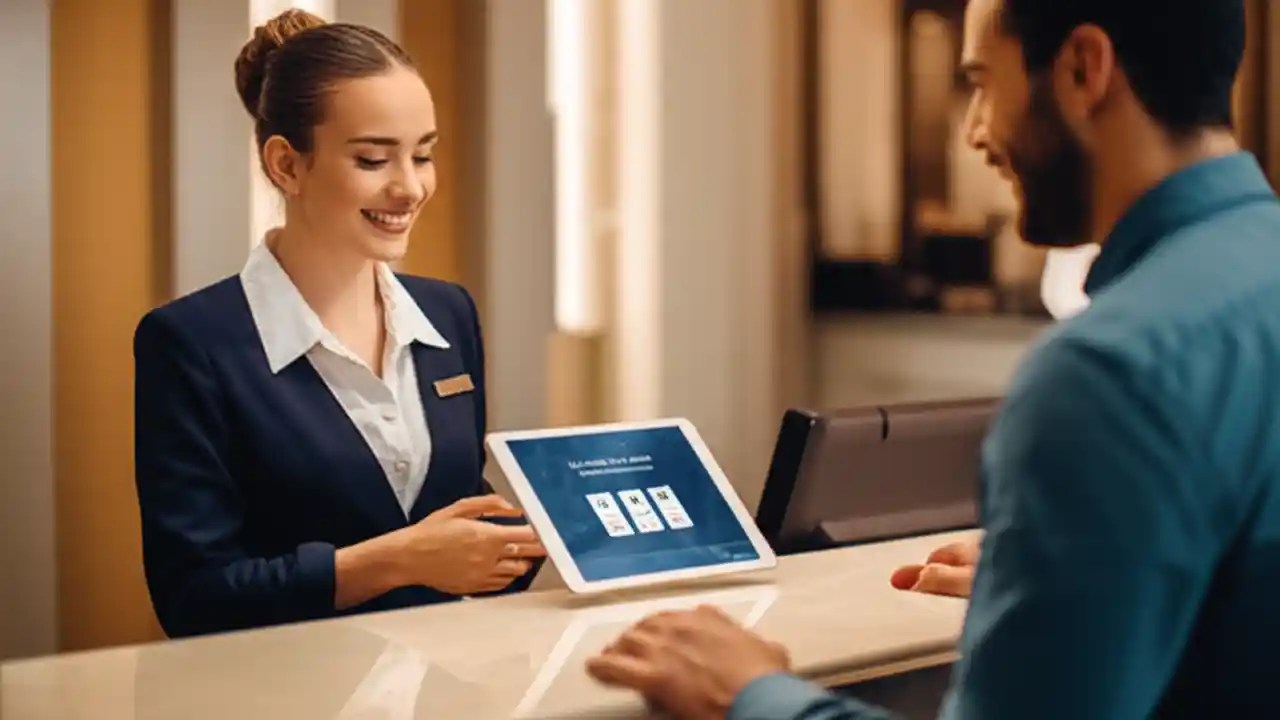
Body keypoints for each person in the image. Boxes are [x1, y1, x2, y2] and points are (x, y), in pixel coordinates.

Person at [587, 0, 1280, 717]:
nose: (978, 129)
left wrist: (751, 695)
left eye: (985, 81)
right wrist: (1081, 573)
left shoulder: (1107, 372)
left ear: (1082, 68)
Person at [133, 9, 544, 638]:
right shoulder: (191, 344)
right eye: (374, 159)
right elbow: (195, 599)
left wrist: (562, 526)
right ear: (286, 165)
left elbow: (460, 526)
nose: (410, 188)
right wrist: (396, 560)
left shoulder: (447, 314)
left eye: (424, 155)